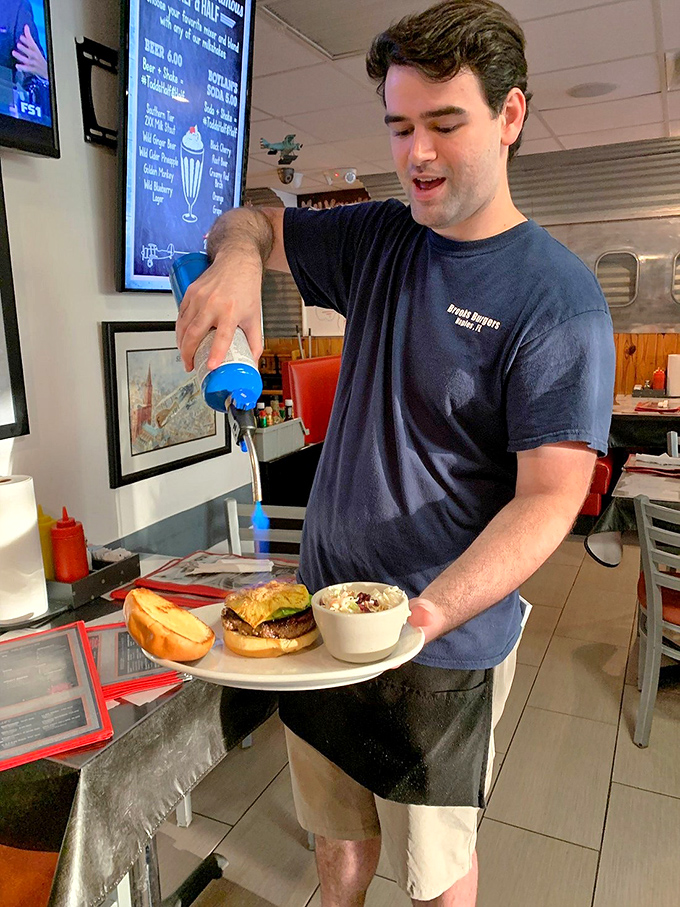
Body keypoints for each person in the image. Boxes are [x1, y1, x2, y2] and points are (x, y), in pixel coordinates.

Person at [176, 1, 615, 904]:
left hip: (439, 644)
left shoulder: (557, 299)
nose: (415, 154)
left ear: (511, 117)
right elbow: (255, 217)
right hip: (322, 619)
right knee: (336, 844)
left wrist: (430, 612)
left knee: (436, 875)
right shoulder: (380, 235)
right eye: (400, 125)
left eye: (445, 124)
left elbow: (550, 496)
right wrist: (234, 261)